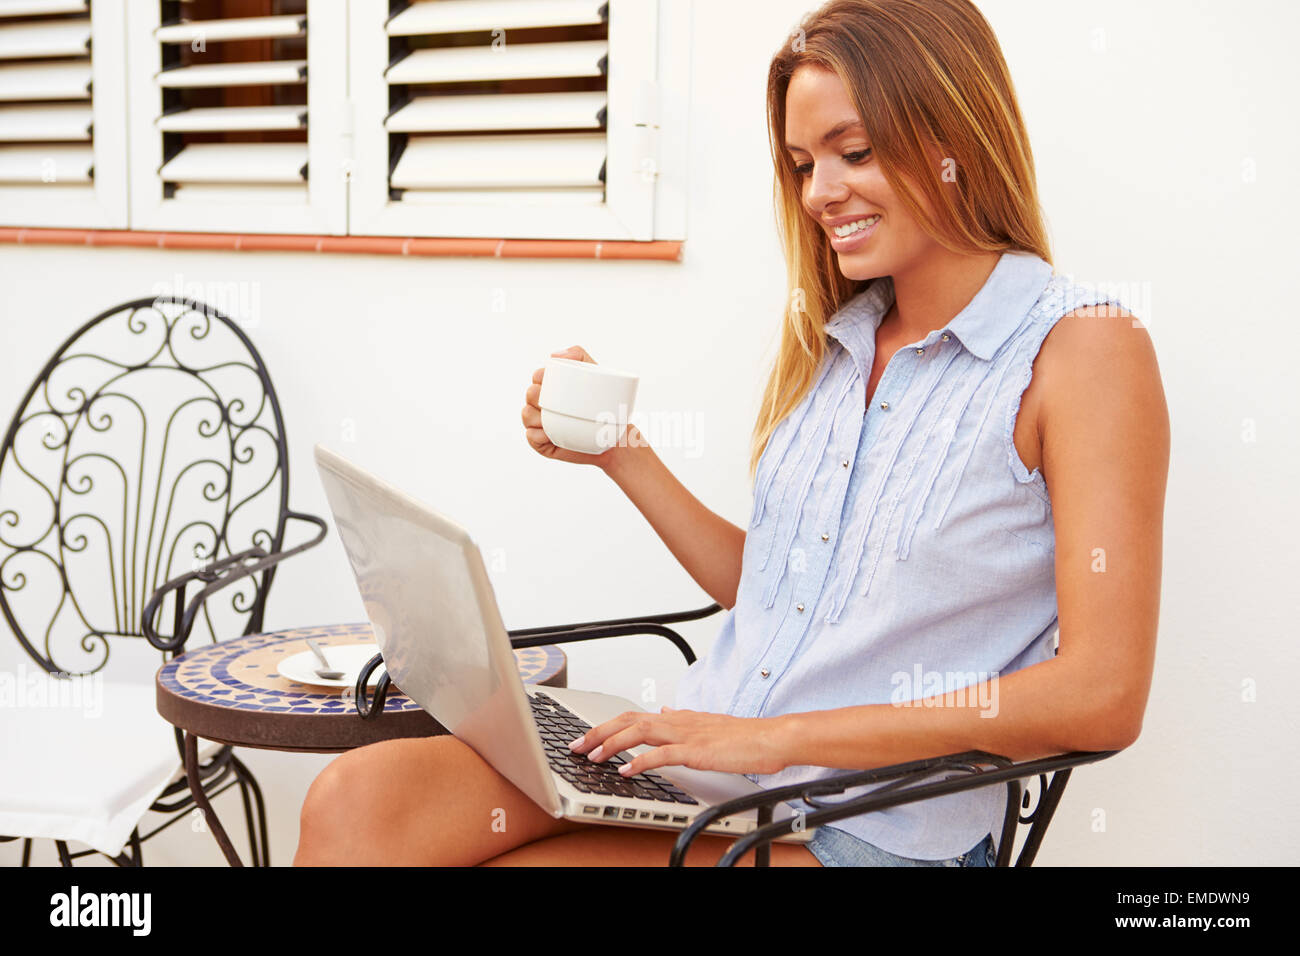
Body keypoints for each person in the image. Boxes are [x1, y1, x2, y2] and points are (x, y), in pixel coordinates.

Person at [294, 0, 1168, 867]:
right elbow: (775, 586)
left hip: (865, 828)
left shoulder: (1085, 350)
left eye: (853, 152)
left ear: (955, 140)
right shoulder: (846, 337)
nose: (820, 193)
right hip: (711, 781)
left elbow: (1103, 694)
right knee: (358, 803)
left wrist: (773, 738)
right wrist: (620, 451)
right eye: (801, 163)